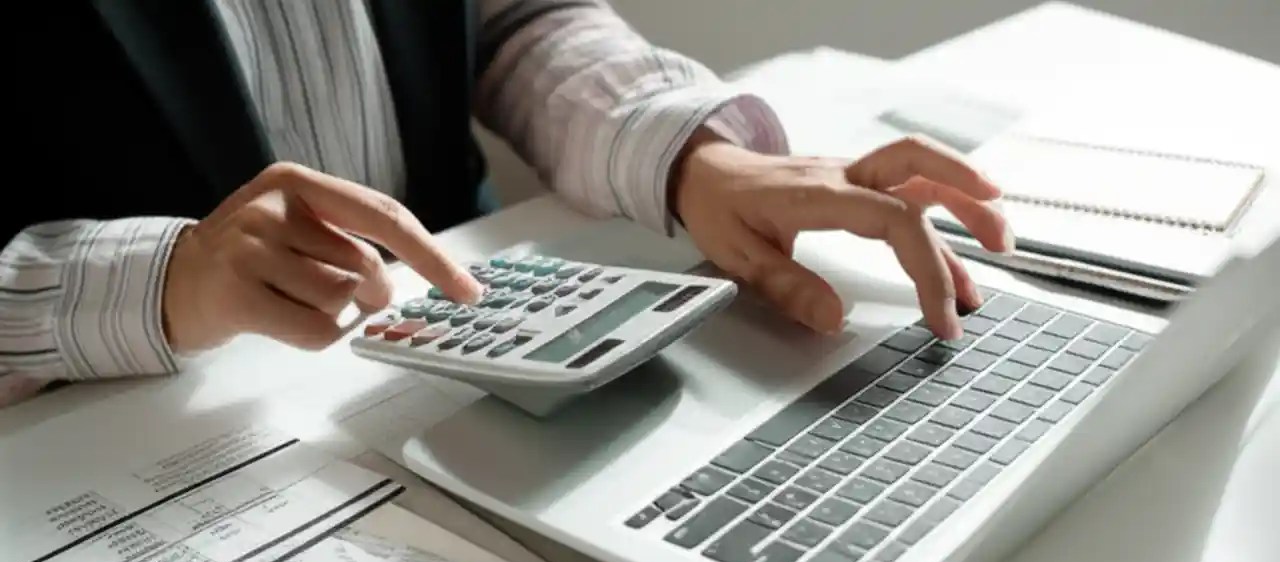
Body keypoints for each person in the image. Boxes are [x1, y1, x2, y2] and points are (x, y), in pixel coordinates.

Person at [0, 0, 1011, 409]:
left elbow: (507, 19)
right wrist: (157, 279)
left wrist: (684, 154)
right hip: (124, 422)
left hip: (457, 356)